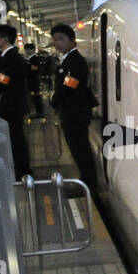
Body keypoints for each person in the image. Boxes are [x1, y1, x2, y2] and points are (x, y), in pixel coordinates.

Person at [49, 23, 98, 189]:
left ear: (72, 41)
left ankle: (89, 185)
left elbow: (69, 86)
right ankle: (86, 181)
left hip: (75, 112)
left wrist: (54, 101)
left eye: (61, 39)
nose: (57, 43)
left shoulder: (76, 61)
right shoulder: (68, 60)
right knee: (77, 149)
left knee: (80, 149)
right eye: (55, 39)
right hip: (71, 111)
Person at [0, 24, 32, 178]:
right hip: (13, 104)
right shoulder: (8, 56)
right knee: (15, 138)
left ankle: (23, 172)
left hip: (12, 105)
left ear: (4, 39)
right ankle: (22, 170)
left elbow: (3, 80)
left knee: (16, 140)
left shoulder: (11, 57)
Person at [24, 42, 46, 118]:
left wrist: (27, 69)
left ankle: (39, 112)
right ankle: (38, 111)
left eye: (28, 49)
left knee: (36, 97)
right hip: (31, 80)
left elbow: (34, 70)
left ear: (33, 50)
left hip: (34, 81)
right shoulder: (30, 59)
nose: (26, 51)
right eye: (26, 50)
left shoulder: (34, 59)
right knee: (34, 97)